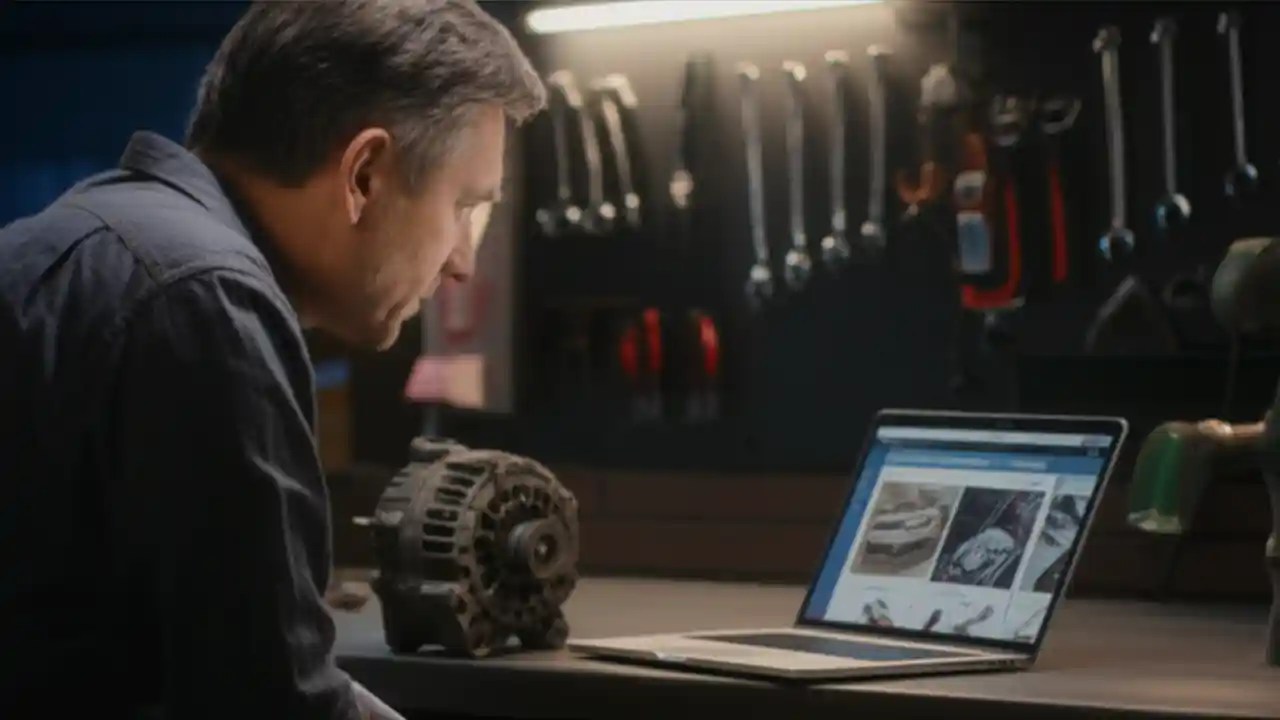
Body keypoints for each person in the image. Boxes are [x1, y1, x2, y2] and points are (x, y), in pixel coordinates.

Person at [0, 1, 545, 717]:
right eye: (464, 207)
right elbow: (268, 701)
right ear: (364, 175)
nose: (462, 263)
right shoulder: (205, 303)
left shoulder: (85, 240)